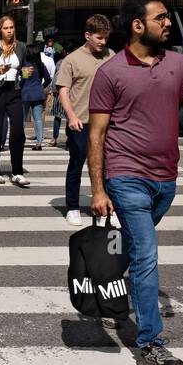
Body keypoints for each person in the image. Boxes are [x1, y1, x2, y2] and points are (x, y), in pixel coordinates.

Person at [87, 0, 183, 365]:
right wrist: (98, 190)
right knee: (146, 253)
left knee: (134, 248)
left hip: (166, 178)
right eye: (161, 17)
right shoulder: (110, 72)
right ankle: (151, 343)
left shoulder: (179, 64)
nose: (168, 23)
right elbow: (97, 135)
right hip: (125, 175)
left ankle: (107, 279)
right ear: (137, 25)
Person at [55, 14, 113, 225]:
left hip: (106, 122)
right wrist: (71, 116)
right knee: (77, 163)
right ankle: (72, 207)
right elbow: (63, 90)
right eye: (99, 38)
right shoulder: (72, 60)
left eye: (106, 38)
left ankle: (106, 207)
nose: (103, 42)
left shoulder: (111, 55)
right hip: (81, 121)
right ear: (87, 35)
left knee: (107, 166)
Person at [0, 15, 32, 186]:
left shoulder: (21, 47)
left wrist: (26, 73)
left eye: (11, 28)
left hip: (14, 92)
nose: (9, 31)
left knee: (18, 132)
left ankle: (17, 171)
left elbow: (23, 70)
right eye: (6, 28)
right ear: (0, 30)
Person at [20, 50, 53, 150]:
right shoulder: (41, 65)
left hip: (26, 93)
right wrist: (41, 86)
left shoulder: (26, 66)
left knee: (23, 119)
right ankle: (39, 142)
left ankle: (21, 140)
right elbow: (48, 79)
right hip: (38, 93)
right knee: (38, 119)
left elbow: (23, 80)